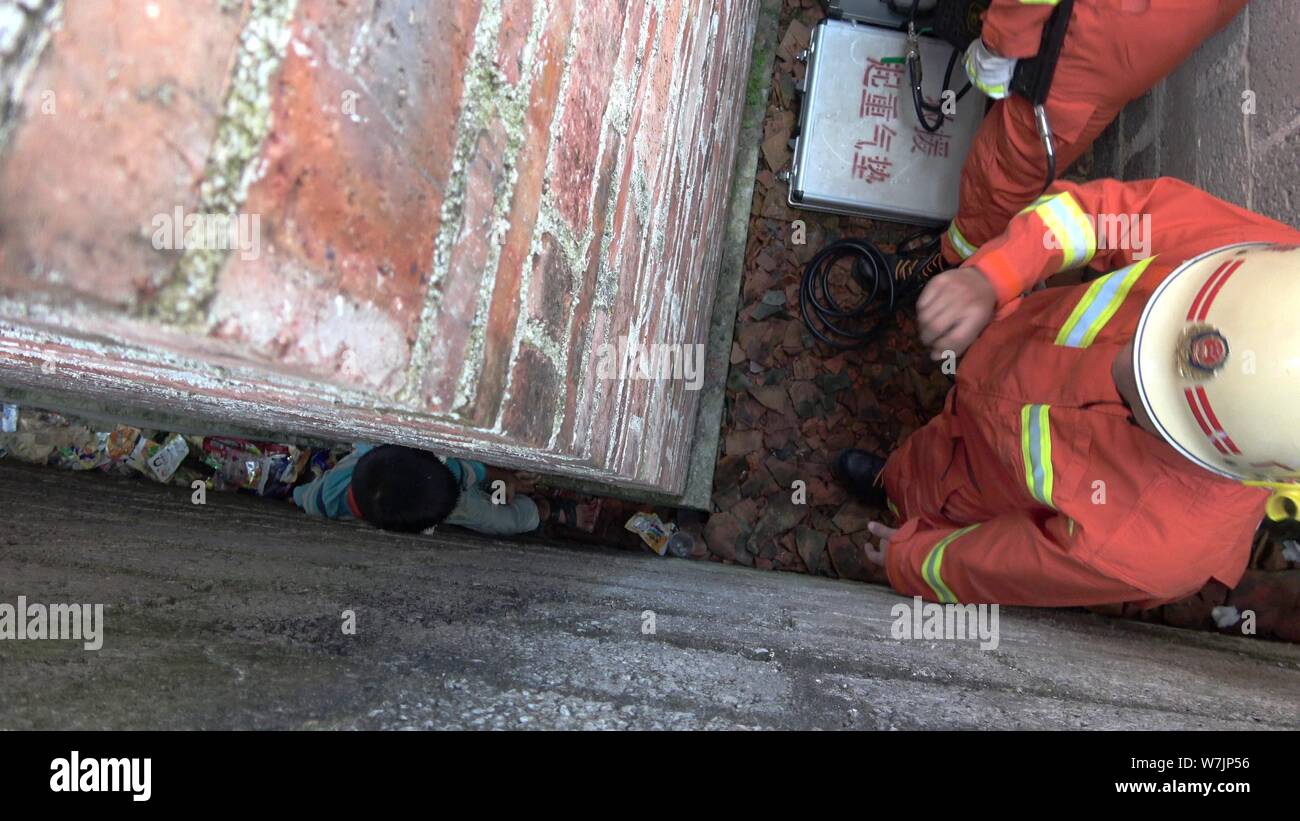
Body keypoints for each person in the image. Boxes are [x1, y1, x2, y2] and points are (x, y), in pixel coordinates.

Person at [836, 176, 1300, 607]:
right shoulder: (1262, 266)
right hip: (1010, 345)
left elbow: (998, 565)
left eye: (1144, 404)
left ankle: (898, 491)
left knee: (930, 481)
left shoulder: (1160, 545)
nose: (1121, 364)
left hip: (980, 476)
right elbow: (1100, 215)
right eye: (1148, 330)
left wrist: (909, 561)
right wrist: (995, 275)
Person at [896, 0, 1247, 281]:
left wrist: (1001, 43)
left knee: (1007, 166)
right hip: (1172, 16)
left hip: (1099, 27)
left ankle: (956, 260)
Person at [293, 444, 596, 536]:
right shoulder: (328, 500)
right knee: (510, 520)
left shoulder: (325, 499)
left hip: (439, 482)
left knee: (494, 487)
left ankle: (520, 495)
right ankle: (543, 511)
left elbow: (302, 496)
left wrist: (506, 479)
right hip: (450, 502)